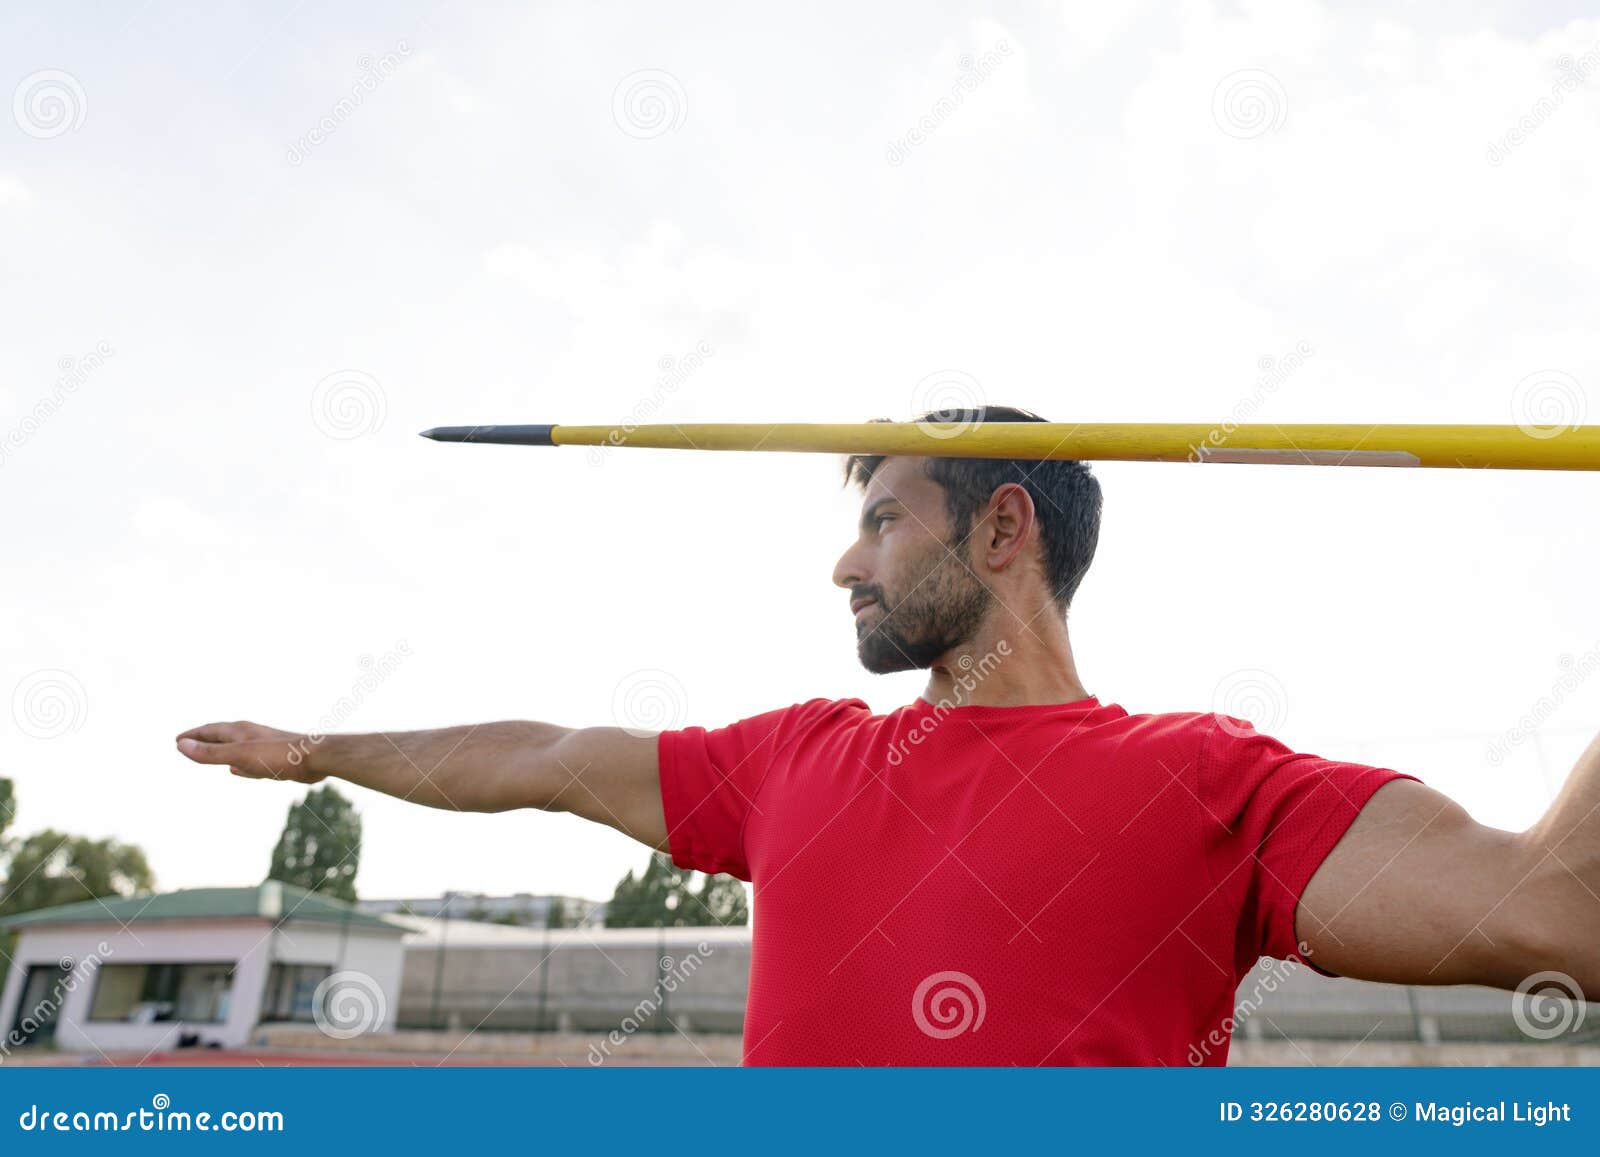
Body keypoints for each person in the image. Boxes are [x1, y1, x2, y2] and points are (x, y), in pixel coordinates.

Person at [177, 406, 1599, 1065]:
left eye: (878, 520)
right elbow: (546, 755)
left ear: (1001, 526)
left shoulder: (1214, 780)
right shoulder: (792, 758)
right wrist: (319, 751)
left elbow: (1556, 914)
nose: (844, 567)